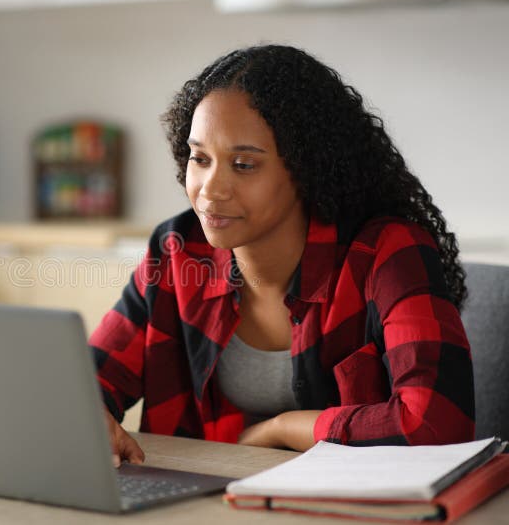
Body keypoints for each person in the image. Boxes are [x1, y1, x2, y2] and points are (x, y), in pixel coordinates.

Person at [89, 45, 474, 466]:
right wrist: (90, 414)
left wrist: (283, 428)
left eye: (243, 164)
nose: (210, 190)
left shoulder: (386, 252)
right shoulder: (178, 250)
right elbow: (85, 383)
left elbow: (436, 425)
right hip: (202, 502)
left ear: (307, 168)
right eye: (200, 159)